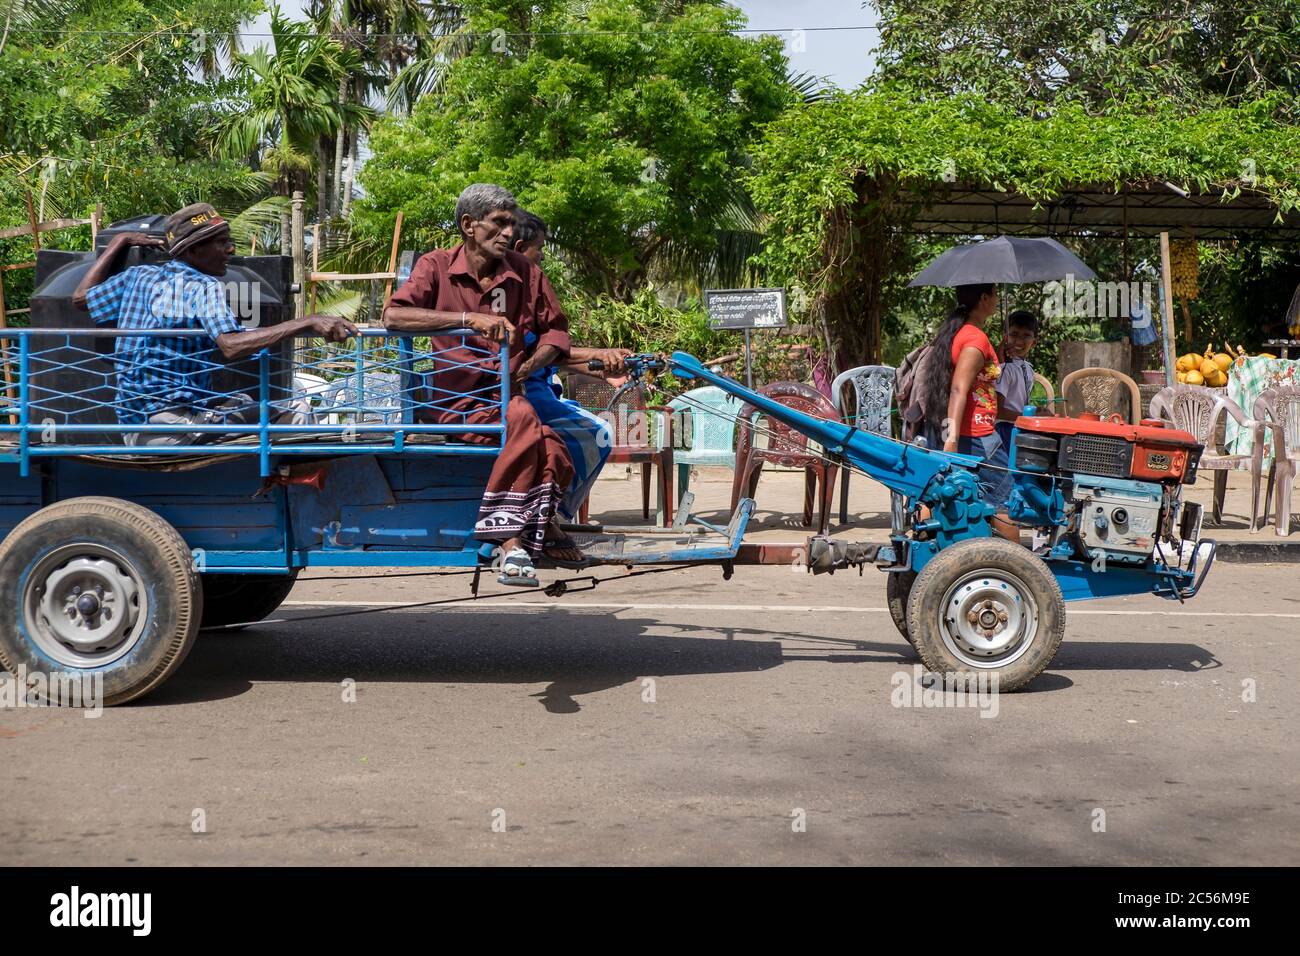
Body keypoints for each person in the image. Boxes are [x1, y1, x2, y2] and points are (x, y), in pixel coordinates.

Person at [382, 184, 580, 585]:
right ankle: (509, 540)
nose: (509, 233)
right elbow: (393, 317)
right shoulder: (435, 266)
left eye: (511, 224)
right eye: (500, 223)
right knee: (526, 417)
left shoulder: (524, 272)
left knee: (556, 451)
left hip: (508, 398)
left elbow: (557, 334)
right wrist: (466, 320)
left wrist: (528, 367)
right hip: (456, 402)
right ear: (469, 225)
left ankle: (530, 530)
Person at [73, 202, 355, 446]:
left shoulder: (137, 276)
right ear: (193, 251)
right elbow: (230, 345)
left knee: (242, 402)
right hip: (173, 426)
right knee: (296, 408)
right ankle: (292, 489)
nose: (230, 249)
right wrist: (306, 321)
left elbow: (81, 298)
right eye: (221, 242)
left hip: (133, 425)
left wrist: (118, 242)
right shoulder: (202, 286)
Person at [511, 208, 631, 523]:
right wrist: (599, 358)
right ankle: (557, 516)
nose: (541, 263)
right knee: (600, 433)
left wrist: (601, 366)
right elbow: (546, 354)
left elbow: (554, 355)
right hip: (527, 394)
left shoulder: (525, 291)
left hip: (540, 389)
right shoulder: (516, 298)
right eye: (540, 254)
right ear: (521, 250)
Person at [917, 283, 1019, 542]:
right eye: (995, 295)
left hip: (949, 428)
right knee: (1004, 504)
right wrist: (950, 442)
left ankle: (926, 557)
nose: (997, 300)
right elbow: (959, 389)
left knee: (938, 495)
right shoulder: (975, 338)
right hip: (977, 436)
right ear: (984, 298)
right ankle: (1024, 575)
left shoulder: (957, 334)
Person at [994, 309, 1043, 452]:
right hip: (1004, 429)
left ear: (1034, 342)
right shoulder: (1005, 369)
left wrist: (1036, 411)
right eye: (1014, 334)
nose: (1019, 341)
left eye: (1026, 336)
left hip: (1019, 426)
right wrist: (1029, 416)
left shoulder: (1028, 368)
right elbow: (998, 411)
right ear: (1005, 338)